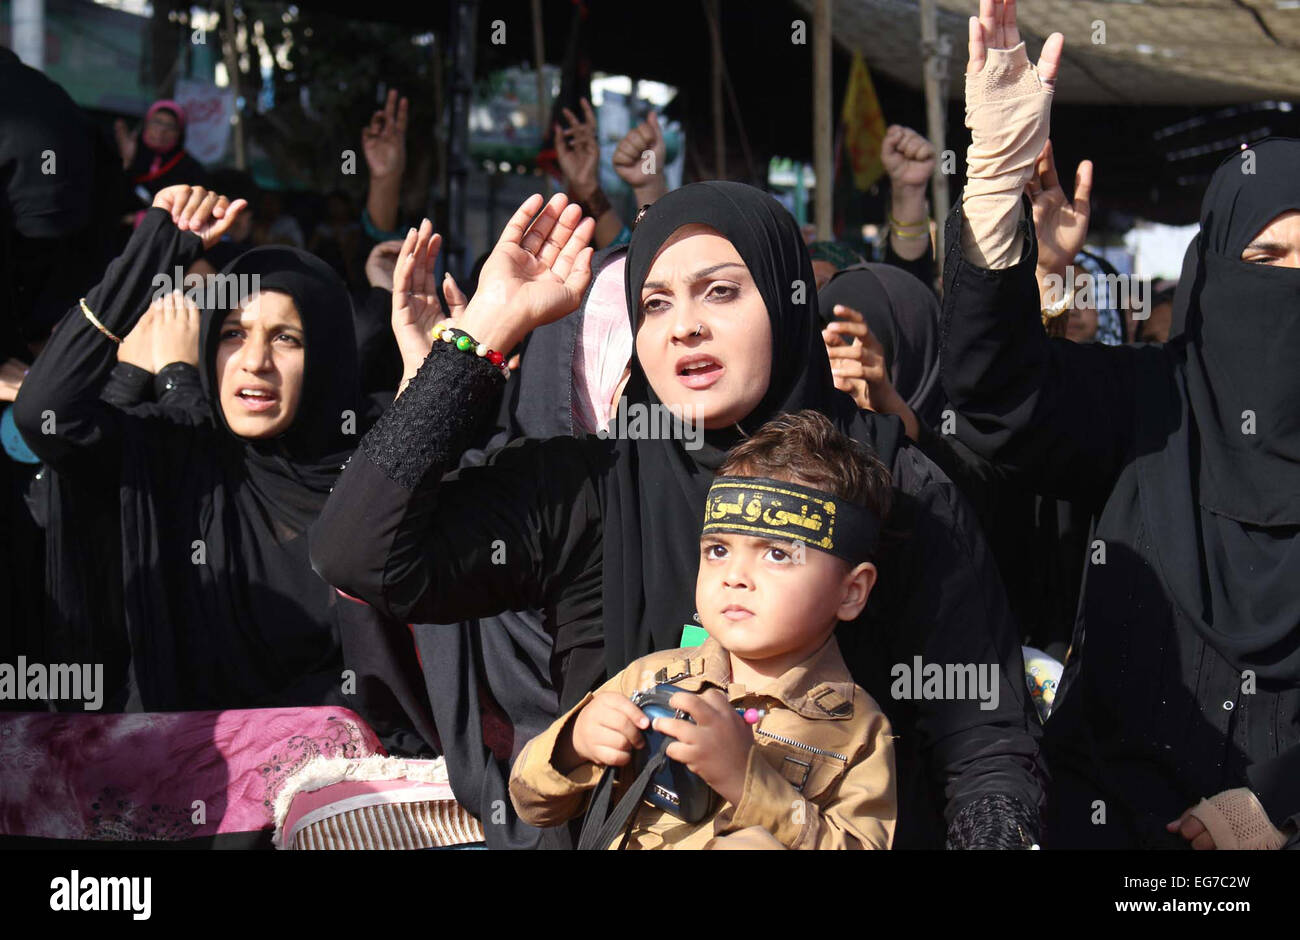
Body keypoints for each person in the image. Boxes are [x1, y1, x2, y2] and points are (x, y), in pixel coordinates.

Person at [311, 183, 1043, 849]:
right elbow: (357, 554)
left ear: (789, 303)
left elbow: (984, 748)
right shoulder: (594, 483)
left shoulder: (896, 484)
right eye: (654, 304)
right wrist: (482, 337)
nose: (684, 327)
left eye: (720, 293)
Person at [942, 0, 1298, 849]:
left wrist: (1271, 804)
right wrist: (994, 178)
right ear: (1212, 274)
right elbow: (993, 394)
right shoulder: (1146, 405)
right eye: (1268, 259)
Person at [14, 184, 372, 711]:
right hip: (172, 778)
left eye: (286, 338)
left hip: (325, 782)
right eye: (232, 333)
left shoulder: (368, 478)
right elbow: (46, 412)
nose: (254, 360)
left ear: (325, 359)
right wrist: (154, 252)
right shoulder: (178, 451)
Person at [510, 410, 896, 849]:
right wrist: (573, 745)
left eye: (777, 555)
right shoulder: (652, 678)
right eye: (717, 550)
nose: (734, 576)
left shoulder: (858, 728)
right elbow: (531, 804)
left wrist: (746, 780)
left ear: (851, 592)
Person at [114, 100, 207, 207]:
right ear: (146, 124)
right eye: (157, 122)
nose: (162, 130)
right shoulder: (125, 150)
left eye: (170, 126)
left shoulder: (190, 168)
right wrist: (126, 160)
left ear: (179, 133)